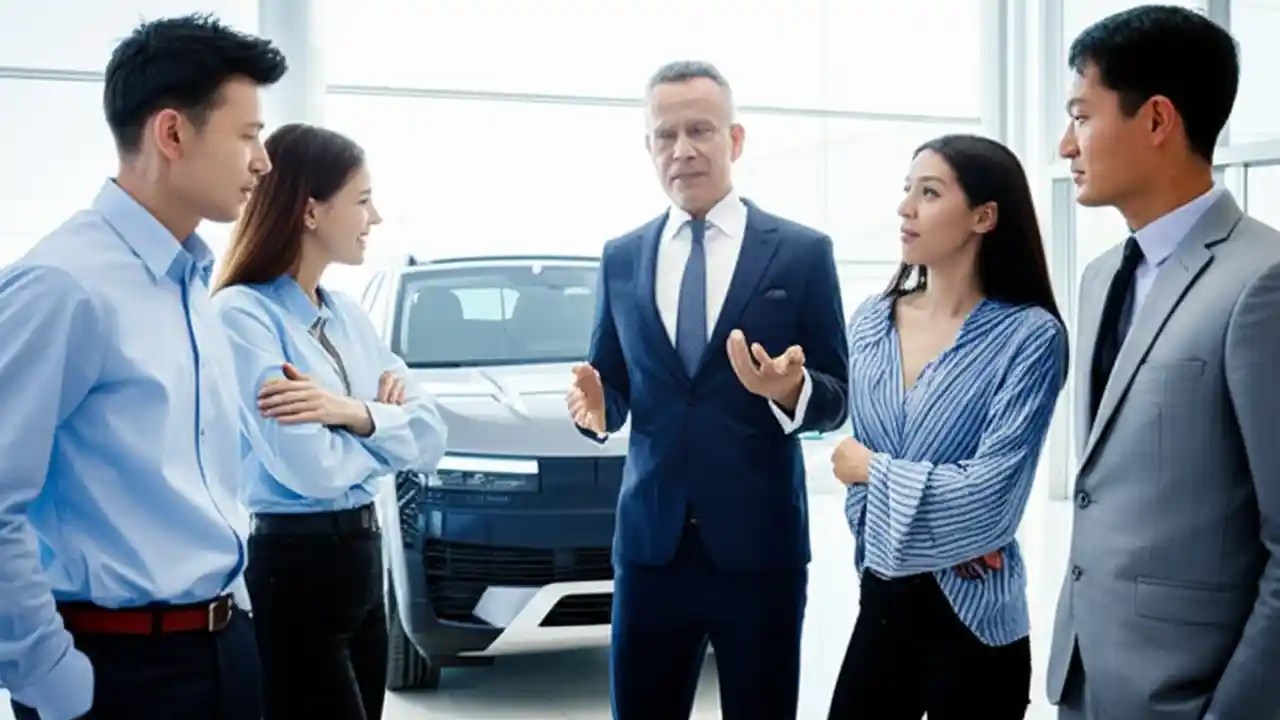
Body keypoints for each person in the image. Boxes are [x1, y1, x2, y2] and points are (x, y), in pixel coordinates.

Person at [0, 14, 286, 720]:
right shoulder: (65, 285)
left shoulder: (190, 287)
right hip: (119, 673)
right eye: (248, 135)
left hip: (223, 649)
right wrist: (52, 679)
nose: (263, 162)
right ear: (172, 133)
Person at [565, 60, 849, 720]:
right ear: (648, 147)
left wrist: (791, 390)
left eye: (700, 130)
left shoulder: (802, 253)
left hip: (759, 551)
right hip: (650, 549)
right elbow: (608, 385)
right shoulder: (620, 256)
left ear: (736, 140)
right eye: (665, 135)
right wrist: (600, 412)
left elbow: (838, 395)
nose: (682, 149)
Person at [1045, 6, 1280, 719]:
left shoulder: (1262, 280)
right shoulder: (1098, 275)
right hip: (1087, 676)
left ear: (1155, 121)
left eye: (1081, 116)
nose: (1066, 144)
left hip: (1188, 694)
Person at [824, 134, 1068, 719]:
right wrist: (945, 530)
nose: (905, 208)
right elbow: (866, 511)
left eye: (929, 192)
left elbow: (990, 505)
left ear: (984, 216)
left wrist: (873, 470)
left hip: (978, 626)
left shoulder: (1031, 337)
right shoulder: (870, 324)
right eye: (907, 190)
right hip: (881, 604)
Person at [211, 123, 448, 720]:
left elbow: (432, 437)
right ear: (310, 211)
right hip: (294, 569)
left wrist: (350, 414)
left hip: (363, 561)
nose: (377, 217)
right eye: (363, 200)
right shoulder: (244, 315)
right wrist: (388, 427)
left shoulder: (346, 315)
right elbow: (308, 468)